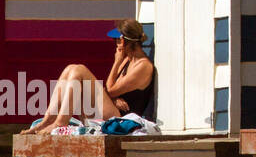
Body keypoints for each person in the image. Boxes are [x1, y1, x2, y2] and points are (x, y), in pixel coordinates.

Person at [20, 20, 155, 135]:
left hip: (121, 120)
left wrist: (116, 62)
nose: (115, 44)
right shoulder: (128, 60)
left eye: (116, 40)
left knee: (80, 71)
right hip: (111, 112)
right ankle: (47, 120)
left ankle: (60, 122)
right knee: (70, 69)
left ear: (122, 41)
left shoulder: (143, 66)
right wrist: (113, 99)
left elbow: (111, 89)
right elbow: (110, 91)